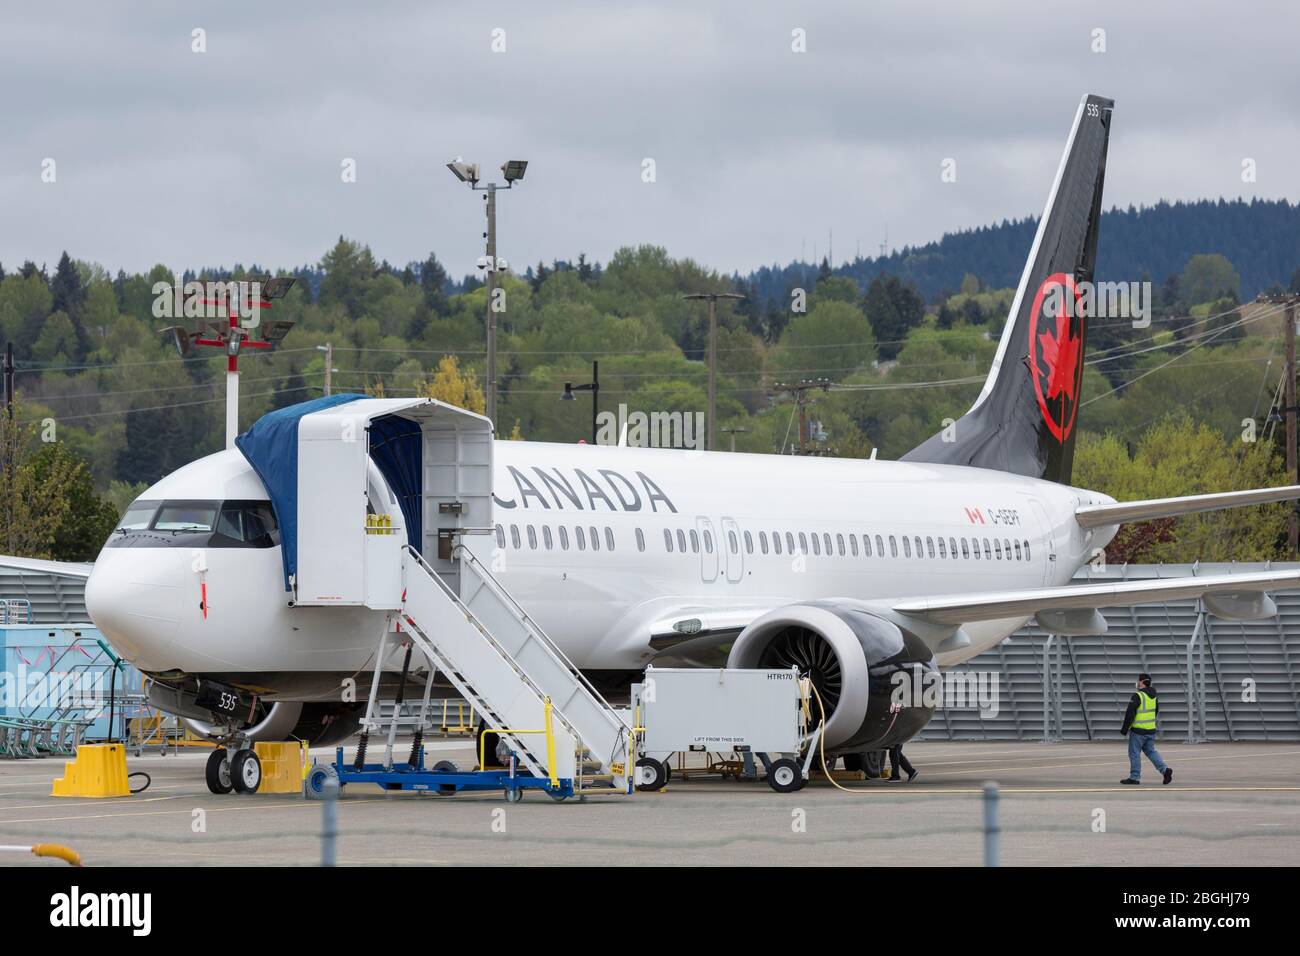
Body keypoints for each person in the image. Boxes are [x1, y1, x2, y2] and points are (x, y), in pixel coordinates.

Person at [1120, 673, 1173, 786]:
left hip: (1138, 731)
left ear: (1142, 682)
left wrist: (1124, 729)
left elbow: (1130, 714)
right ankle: (1165, 770)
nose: (1138, 683)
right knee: (1150, 751)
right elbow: (1155, 712)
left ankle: (1134, 777)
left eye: (1139, 681)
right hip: (1150, 730)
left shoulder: (1137, 696)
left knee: (1134, 754)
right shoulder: (1154, 696)